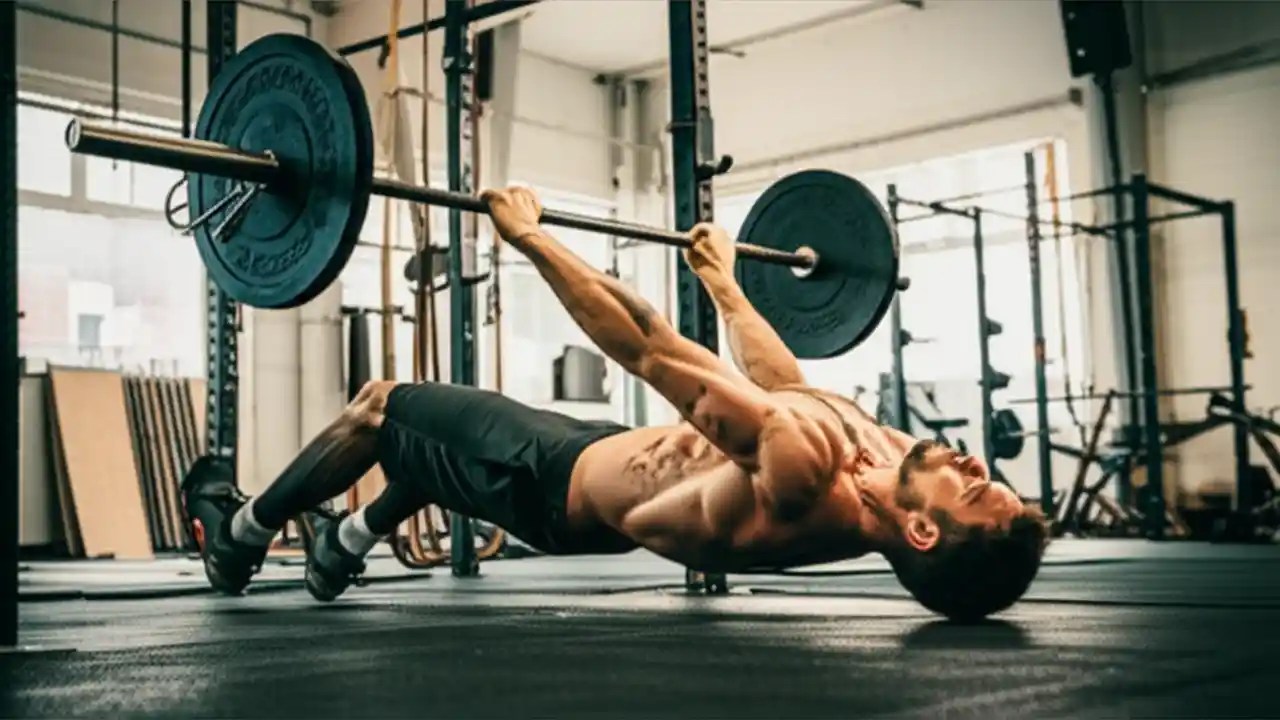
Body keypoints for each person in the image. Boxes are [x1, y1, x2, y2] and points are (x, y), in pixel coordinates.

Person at [182, 187, 1049, 622]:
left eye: (973, 488)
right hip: (597, 463)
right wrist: (727, 287)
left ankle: (242, 535)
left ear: (924, 531)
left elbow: (646, 347)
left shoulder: (809, 473)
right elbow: (790, 386)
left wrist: (528, 236)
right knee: (441, 458)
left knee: (385, 408)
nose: (974, 464)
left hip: (548, 485)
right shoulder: (885, 460)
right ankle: (339, 548)